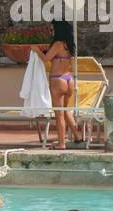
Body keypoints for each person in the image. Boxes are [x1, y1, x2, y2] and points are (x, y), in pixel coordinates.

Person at [35, 19, 86, 149]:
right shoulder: (69, 44)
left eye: (52, 29)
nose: (51, 31)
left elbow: (46, 58)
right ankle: (78, 136)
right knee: (65, 110)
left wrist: (36, 50)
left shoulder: (57, 44)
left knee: (58, 114)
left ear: (58, 30)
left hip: (57, 80)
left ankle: (61, 143)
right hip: (69, 79)